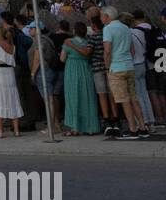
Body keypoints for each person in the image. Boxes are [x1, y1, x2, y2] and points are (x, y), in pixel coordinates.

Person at [103, 7, 146, 139]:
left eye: (102, 16)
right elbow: (132, 50)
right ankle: (143, 127)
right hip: (129, 65)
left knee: (124, 100)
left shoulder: (108, 29)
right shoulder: (126, 28)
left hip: (116, 67)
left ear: (106, 16)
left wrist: (107, 67)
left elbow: (108, 50)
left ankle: (132, 129)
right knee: (134, 98)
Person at [60, 22, 100, 135]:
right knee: (87, 97)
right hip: (86, 70)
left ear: (74, 31)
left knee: (72, 98)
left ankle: (75, 128)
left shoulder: (68, 42)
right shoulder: (88, 42)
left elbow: (62, 59)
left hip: (72, 71)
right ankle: (90, 127)